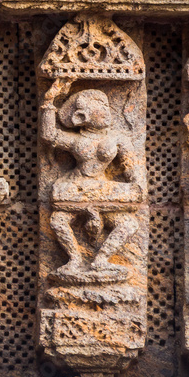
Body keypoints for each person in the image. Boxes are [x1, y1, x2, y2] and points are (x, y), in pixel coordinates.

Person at [40, 88, 142, 278]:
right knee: (57, 220)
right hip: (76, 185)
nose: (107, 111)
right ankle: (75, 260)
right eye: (101, 108)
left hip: (102, 188)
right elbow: (49, 136)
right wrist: (48, 103)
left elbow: (131, 169)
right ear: (82, 117)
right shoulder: (76, 140)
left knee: (129, 224)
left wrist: (137, 187)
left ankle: (101, 260)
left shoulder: (118, 140)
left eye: (106, 106)